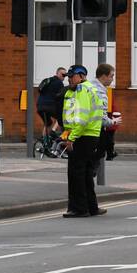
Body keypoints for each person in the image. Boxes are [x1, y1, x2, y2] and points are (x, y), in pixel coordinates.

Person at [60, 64, 107, 218]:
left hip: (82, 136)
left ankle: (79, 209)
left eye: (72, 76)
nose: (69, 79)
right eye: (68, 76)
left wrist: (71, 138)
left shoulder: (82, 90)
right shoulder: (89, 89)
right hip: (90, 135)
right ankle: (92, 207)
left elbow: (81, 118)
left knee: (76, 173)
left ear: (81, 76)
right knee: (86, 173)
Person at [92, 63, 121, 160]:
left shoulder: (88, 86)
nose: (112, 79)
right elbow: (101, 117)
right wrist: (113, 122)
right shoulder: (100, 92)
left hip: (87, 130)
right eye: (111, 76)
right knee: (93, 162)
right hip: (94, 131)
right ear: (104, 76)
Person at [36, 67, 67, 135]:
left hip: (39, 106)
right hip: (49, 106)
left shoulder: (47, 80)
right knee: (62, 117)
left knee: (48, 124)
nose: (64, 77)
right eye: (63, 75)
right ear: (57, 73)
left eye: (65, 75)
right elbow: (61, 97)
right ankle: (54, 131)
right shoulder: (59, 83)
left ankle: (44, 142)